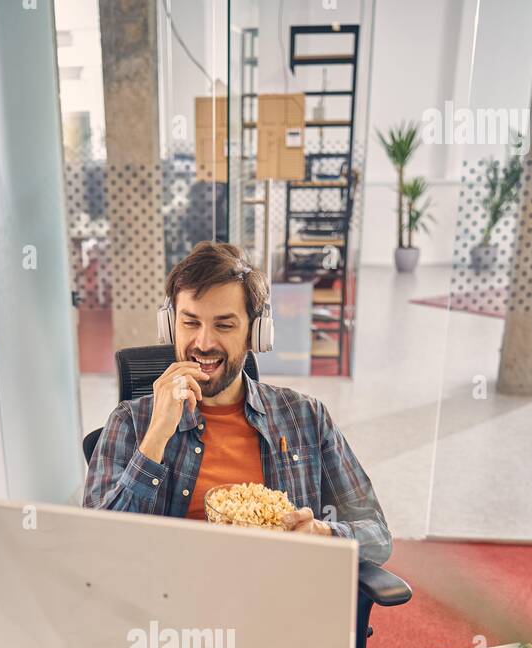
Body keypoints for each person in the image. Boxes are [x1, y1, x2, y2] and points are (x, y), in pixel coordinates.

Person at [83, 240, 392, 564]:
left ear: (255, 333)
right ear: (171, 325)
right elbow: (100, 549)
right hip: (174, 604)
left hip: (276, 598)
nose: (203, 342)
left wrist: (323, 535)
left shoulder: (305, 418)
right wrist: (157, 435)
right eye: (190, 322)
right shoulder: (132, 421)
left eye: (224, 325)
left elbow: (377, 536)